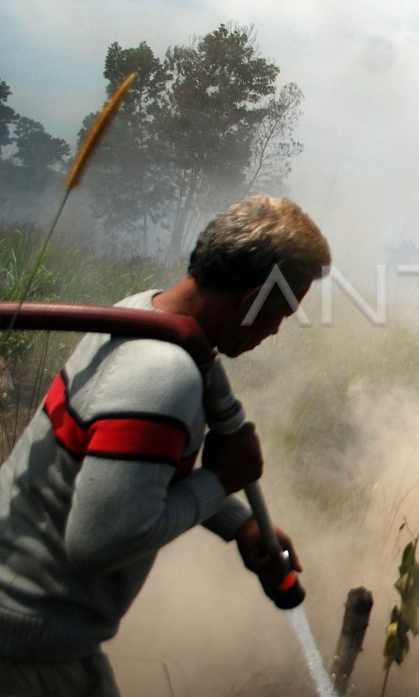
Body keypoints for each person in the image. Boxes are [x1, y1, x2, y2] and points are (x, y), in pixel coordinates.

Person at [0, 196, 330, 695]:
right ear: (252, 299)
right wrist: (219, 482)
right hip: (31, 651)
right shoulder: (163, 376)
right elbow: (98, 542)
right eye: (279, 313)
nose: (276, 330)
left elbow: (127, 468)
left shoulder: (143, 312)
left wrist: (237, 524)